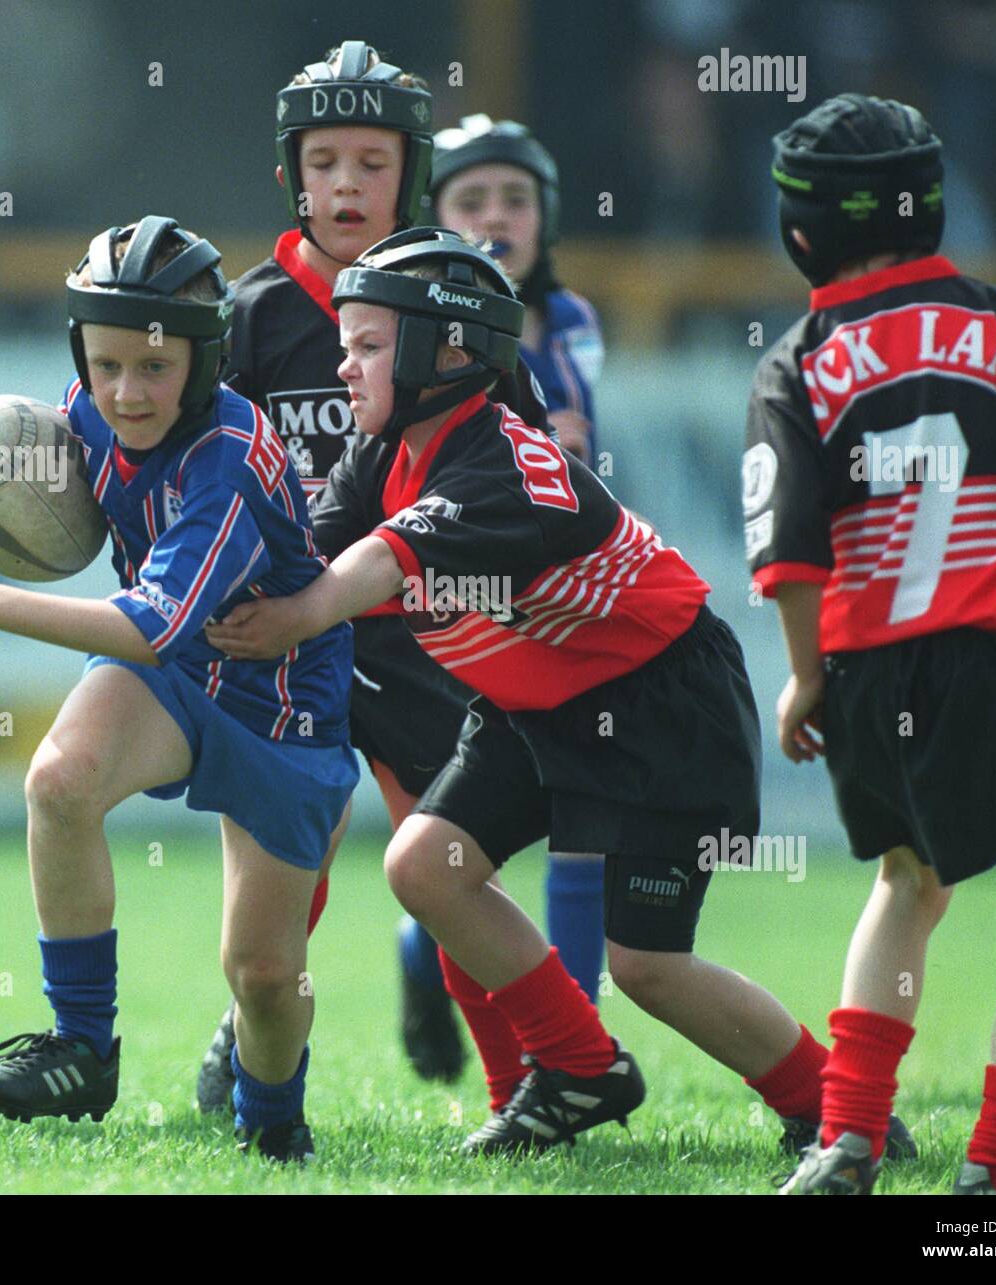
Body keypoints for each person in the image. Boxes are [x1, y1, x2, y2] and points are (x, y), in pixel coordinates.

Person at [205, 227, 908, 1158]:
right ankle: (581, 1066)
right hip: (537, 703)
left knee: (649, 964)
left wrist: (292, 619)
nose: (343, 367)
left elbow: (371, 564)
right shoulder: (385, 452)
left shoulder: (500, 458)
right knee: (425, 865)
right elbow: (294, 548)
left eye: (368, 344)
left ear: (448, 350)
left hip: (663, 702)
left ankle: (829, 1105)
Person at [0, 215, 359, 1163]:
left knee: (265, 975)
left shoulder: (228, 456)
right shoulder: (85, 408)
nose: (124, 390)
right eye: (105, 364)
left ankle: (274, 1117)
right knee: (59, 781)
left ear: (205, 357)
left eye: (153, 368)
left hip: (284, 709)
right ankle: (81, 1048)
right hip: (179, 676)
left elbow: (148, 621)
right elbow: (57, 496)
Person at [190, 41, 562, 1119]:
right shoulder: (245, 319)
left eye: (370, 160)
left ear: (410, 172)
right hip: (279, 644)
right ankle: (255, 1055)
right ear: (289, 177)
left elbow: (524, 457)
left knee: (448, 881)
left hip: (419, 635)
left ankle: (524, 1093)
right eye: (322, 161)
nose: (346, 184)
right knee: (281, 904)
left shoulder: (457, 301)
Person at [746, 94, 996, 1196]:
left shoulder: (795, 361)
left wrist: (808, 677)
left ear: (798, 232)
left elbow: (790, 555)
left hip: (872, 668)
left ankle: (846, 1139)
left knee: (906, 885)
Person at [386, 113, 609, 1119]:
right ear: (434, 219)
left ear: (545, 218)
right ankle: (544, 1032)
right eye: (469, 201)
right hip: (459, 615)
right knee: (481, 834)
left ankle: (569, 1042)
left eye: (514, 199)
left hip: (551, 606)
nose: (493, 218)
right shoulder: (417, 340)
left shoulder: (567, 324)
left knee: (573, 828)